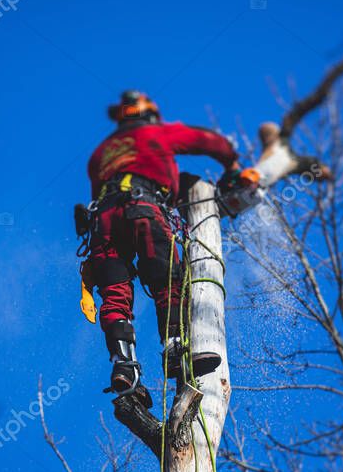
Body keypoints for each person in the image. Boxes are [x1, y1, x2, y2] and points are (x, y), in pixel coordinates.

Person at [83, 90, 250, 406]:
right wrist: (232, 163)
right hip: (143, 208)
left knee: (115, 294)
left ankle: (124, 366)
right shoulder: (156, 133)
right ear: (149, 113)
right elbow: (207, 141)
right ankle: (175, 349)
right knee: (167, 278)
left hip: (102, 222)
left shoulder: (101, 153)